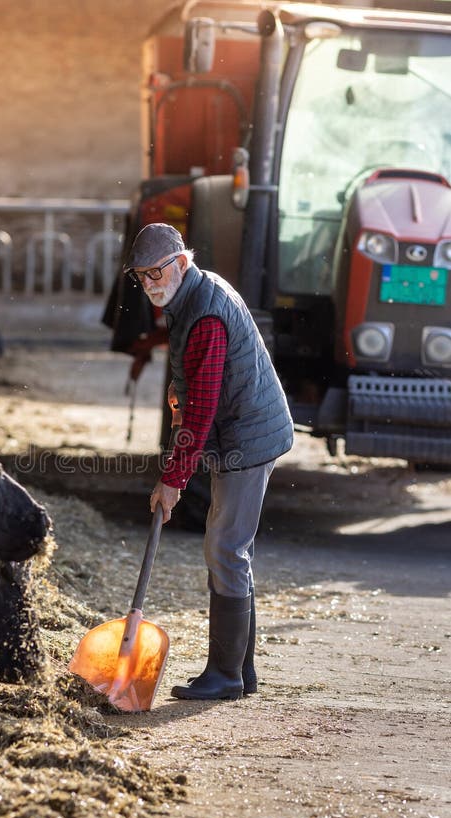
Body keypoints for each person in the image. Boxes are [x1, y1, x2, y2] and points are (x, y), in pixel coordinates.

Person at [123, 222, 294, 701]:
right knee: (233, 550)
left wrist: (173, 479)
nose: (150, 283)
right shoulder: (192, 295)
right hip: (241, 427)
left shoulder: (205, 313)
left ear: (180, 262)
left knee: (224, 549)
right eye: (141, 276)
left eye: (157, 272)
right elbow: (195, 387)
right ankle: (242, 672)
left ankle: (225, 675)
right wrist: (180, 389)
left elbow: (201, 409)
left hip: (249, 435)